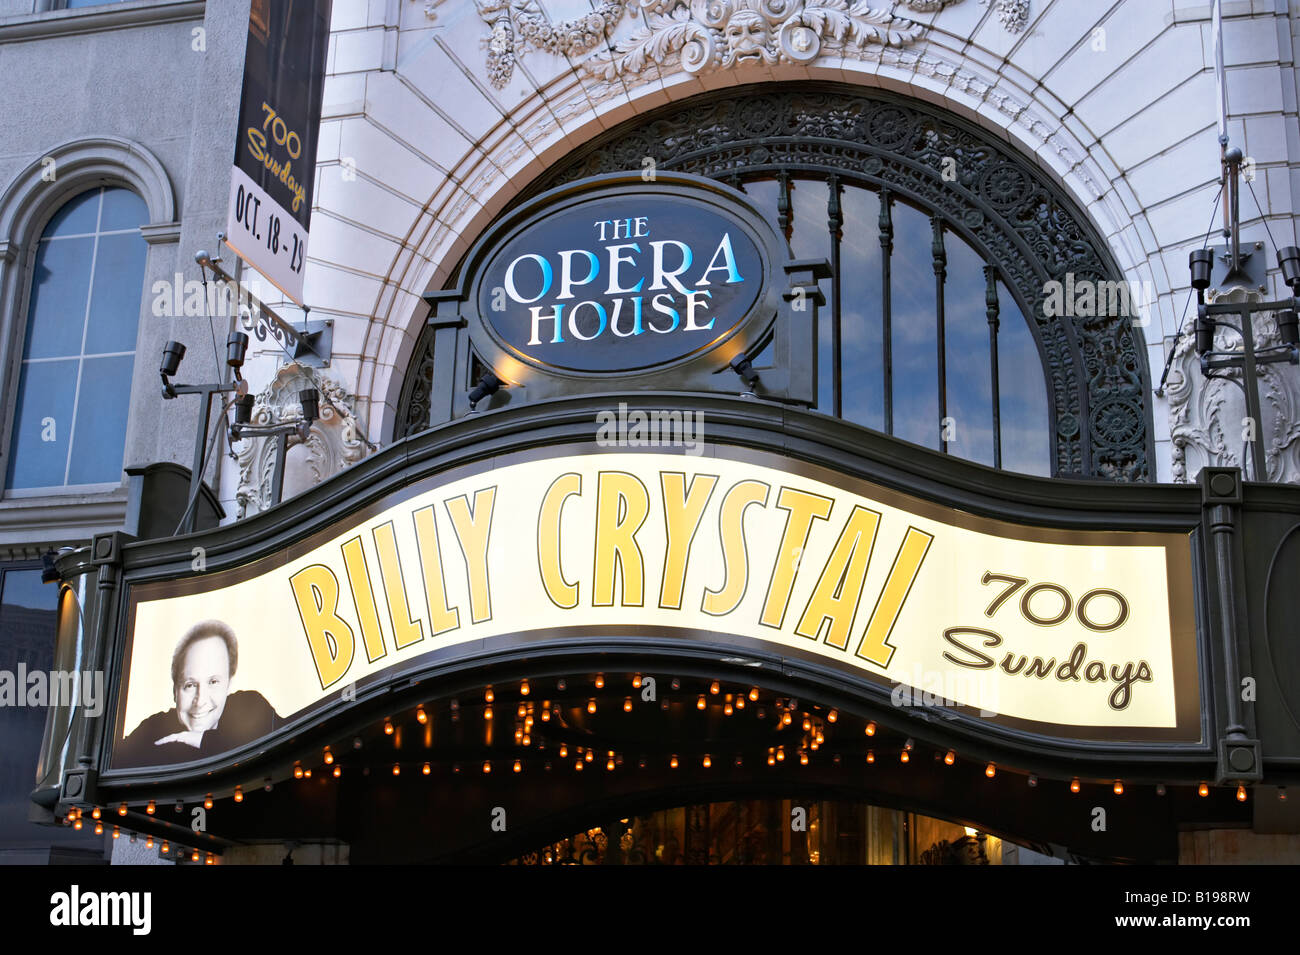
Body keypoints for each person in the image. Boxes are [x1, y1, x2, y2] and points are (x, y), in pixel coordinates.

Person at [115, 620, 279, 767]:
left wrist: (201, 739)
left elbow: (281, 741)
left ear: (228, 684)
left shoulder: (250, 706)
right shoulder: (154, 729)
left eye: (213, 682)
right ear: (175, 692)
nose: (200, 700)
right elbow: (116, 760)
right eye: (190, 685)